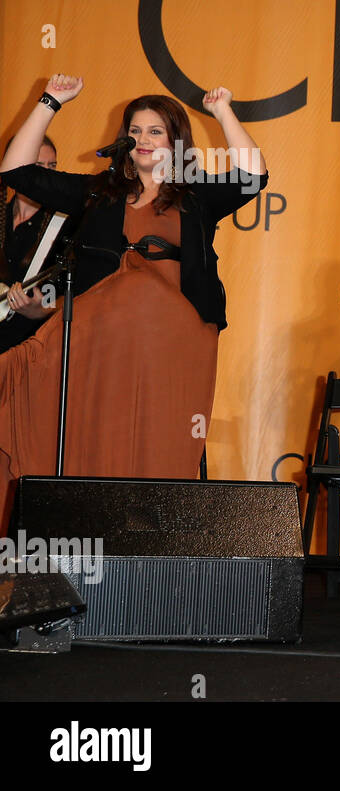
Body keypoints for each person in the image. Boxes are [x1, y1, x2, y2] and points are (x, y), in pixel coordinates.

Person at [0, 75, 267, 517]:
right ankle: (86, 525)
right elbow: (16, 171)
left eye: (155, 131)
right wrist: (51, 101)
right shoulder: (98, 194)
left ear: (175, 141)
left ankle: (152, 533)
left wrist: (223, 111)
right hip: (100, 346)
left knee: (159, 435)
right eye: (135, 131)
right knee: (78, 418)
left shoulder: (197, 197)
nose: (142, 139)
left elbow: (254, 177)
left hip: (173, 347)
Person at [0, 135, 63, 353]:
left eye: (52, 166)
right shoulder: (3, 215)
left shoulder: (62, 226)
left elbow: (60, 292)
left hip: (30, 346)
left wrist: (42, 309)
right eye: (38, 166)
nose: (47, 175)